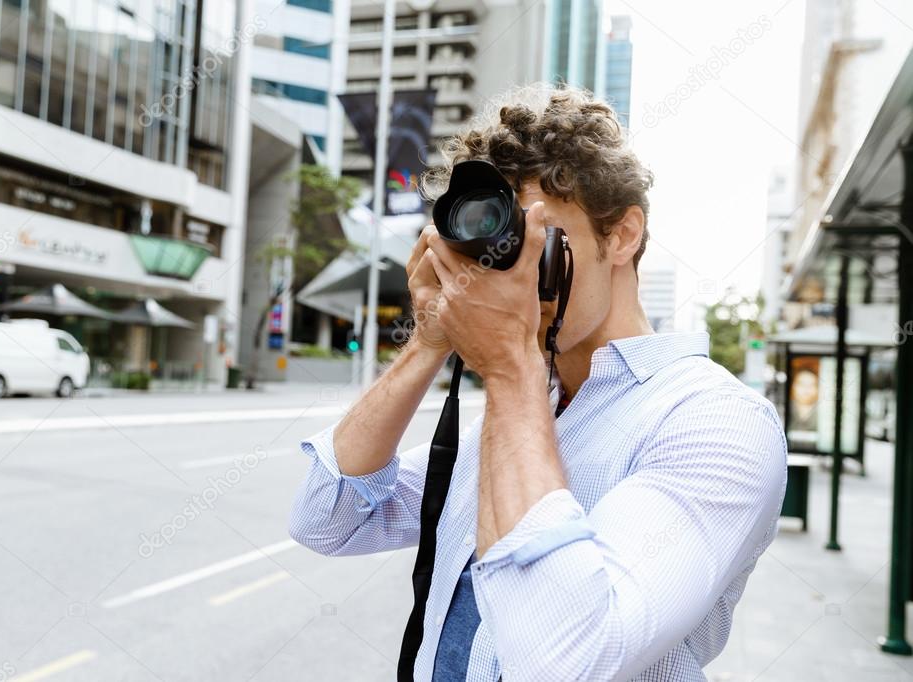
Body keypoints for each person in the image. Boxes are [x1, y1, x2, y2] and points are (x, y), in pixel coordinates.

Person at [288, 84, 787, 681]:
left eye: (537, 240)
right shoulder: (518, 413)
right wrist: (428, 338)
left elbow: (569, 658)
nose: (512, 272)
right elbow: (330, 518)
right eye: (498, 251)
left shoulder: (712, 421)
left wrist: (508, 364)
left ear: (622, 235)